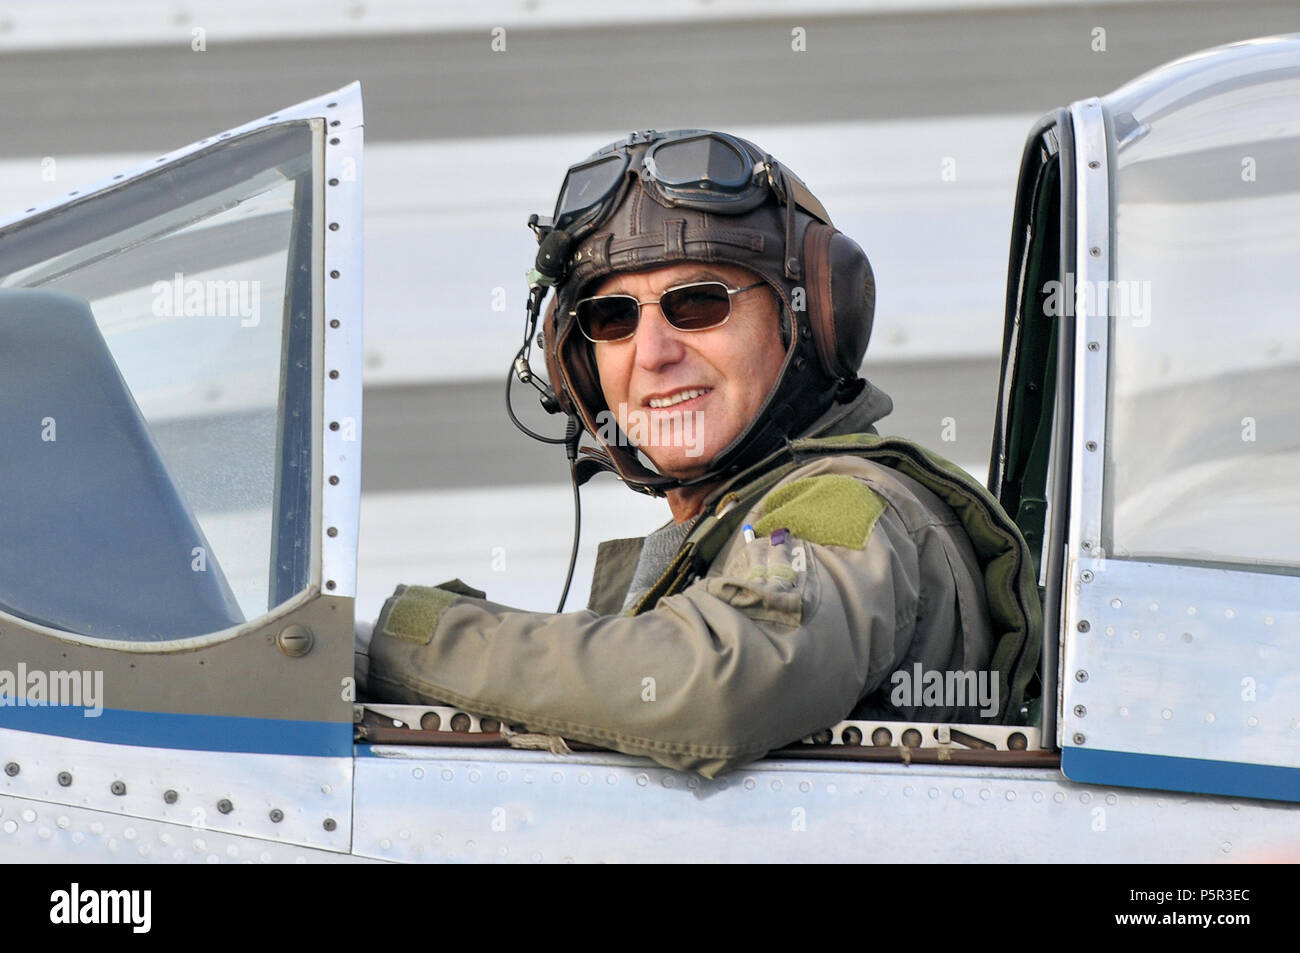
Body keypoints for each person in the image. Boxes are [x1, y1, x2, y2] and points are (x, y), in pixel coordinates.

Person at [357, 129, 1041, 777]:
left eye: (697, 305)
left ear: (806, 320)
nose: (653, 354)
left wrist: (412, 638)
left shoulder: (843, 503)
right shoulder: (718, 536)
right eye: (613, 318)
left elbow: (715, 682)